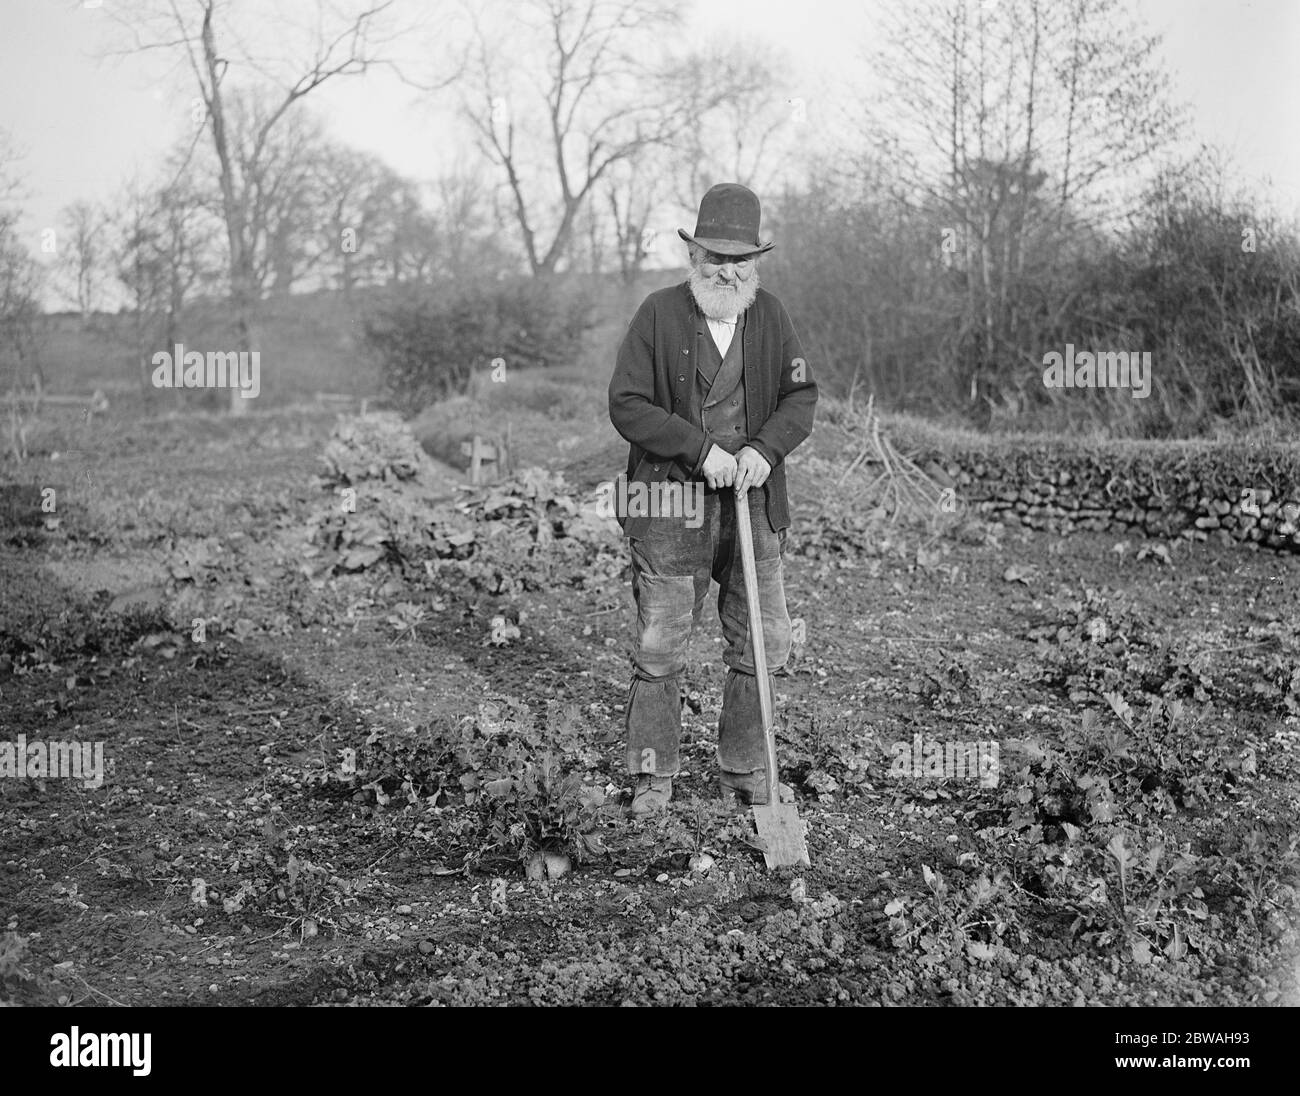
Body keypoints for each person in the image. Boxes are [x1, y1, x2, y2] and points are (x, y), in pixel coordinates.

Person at [607, 182, 818, 816]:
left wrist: (762, 450)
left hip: (752, 505)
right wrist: (701, 451)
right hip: (671, 507)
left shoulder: (773, 316)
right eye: (715, 257)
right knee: (659, 645)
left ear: (757, 261)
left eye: (740, 260)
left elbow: (800, 398)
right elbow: (627, 403)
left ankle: (747, 772)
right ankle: (651, 778)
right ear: (694, 256)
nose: (728, 270)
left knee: (761, 642)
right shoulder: (658, 313)